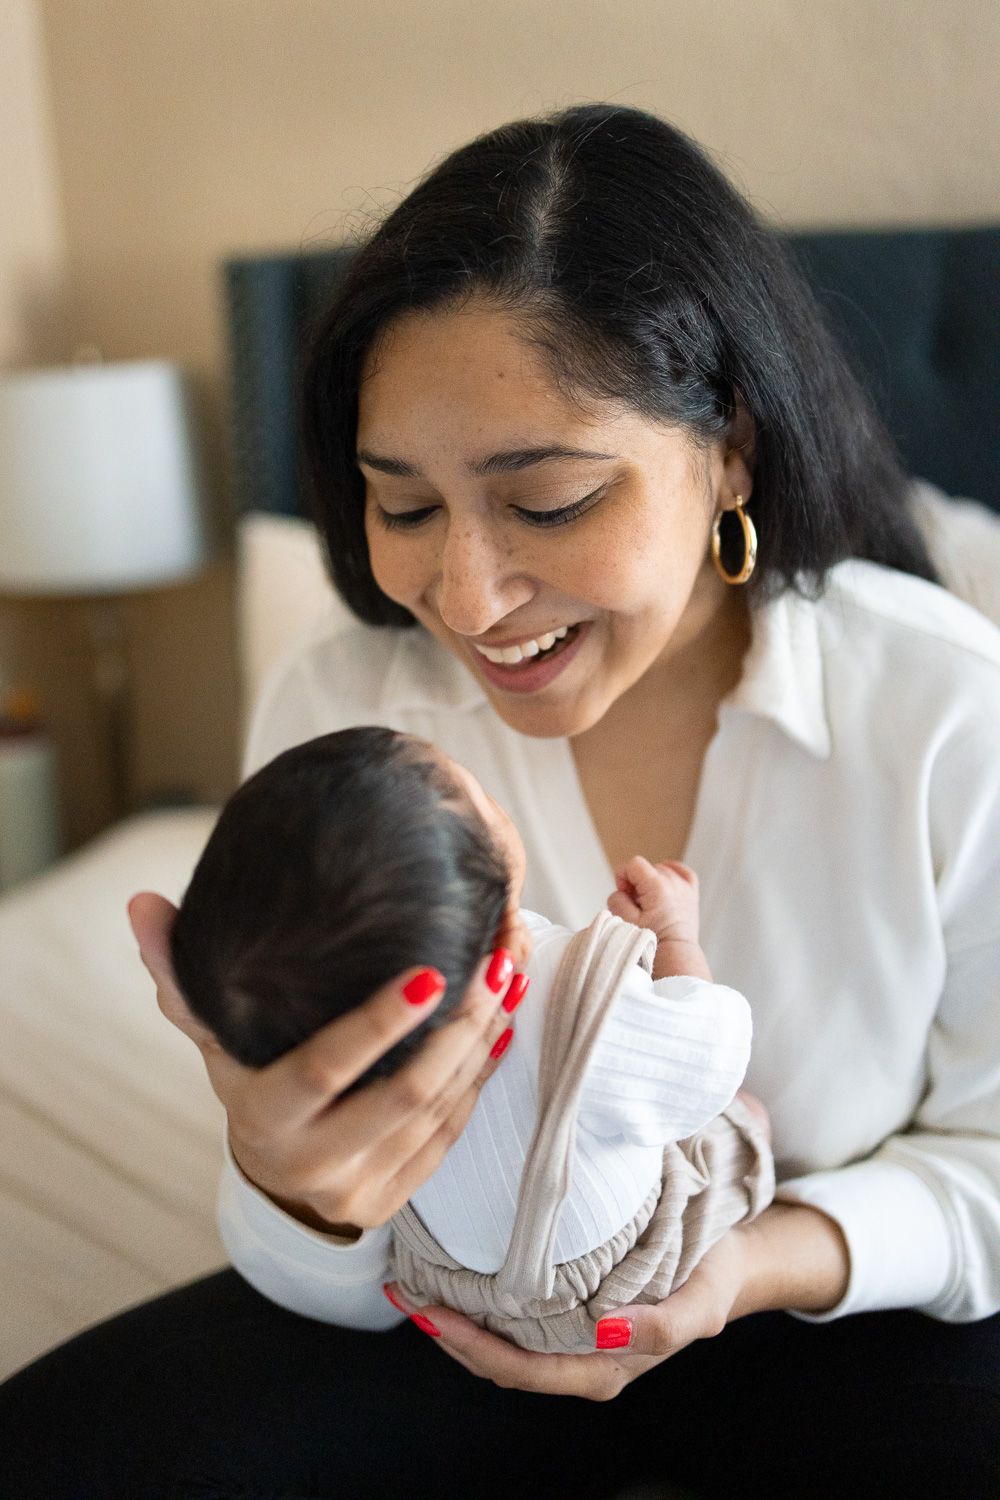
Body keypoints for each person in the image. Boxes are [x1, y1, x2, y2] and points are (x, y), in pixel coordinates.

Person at [3, 102, 999, 1500]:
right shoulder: (341, 710)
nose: (465, 600)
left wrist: (737, 1273)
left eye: (550, 502)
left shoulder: (947, 706)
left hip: (844, 1314)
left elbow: (993, 1168)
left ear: (729, 450)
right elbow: (337, 1283)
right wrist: (290, 1173)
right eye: (402, 509)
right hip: (446, 1325)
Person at [168, 725, 772, 1353]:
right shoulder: (572, 980)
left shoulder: (327, 1043)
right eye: (469, 786)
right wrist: (676, 941)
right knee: (740, 1119)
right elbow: (705, 1060)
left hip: (444, 1286)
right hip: (622, 1284)